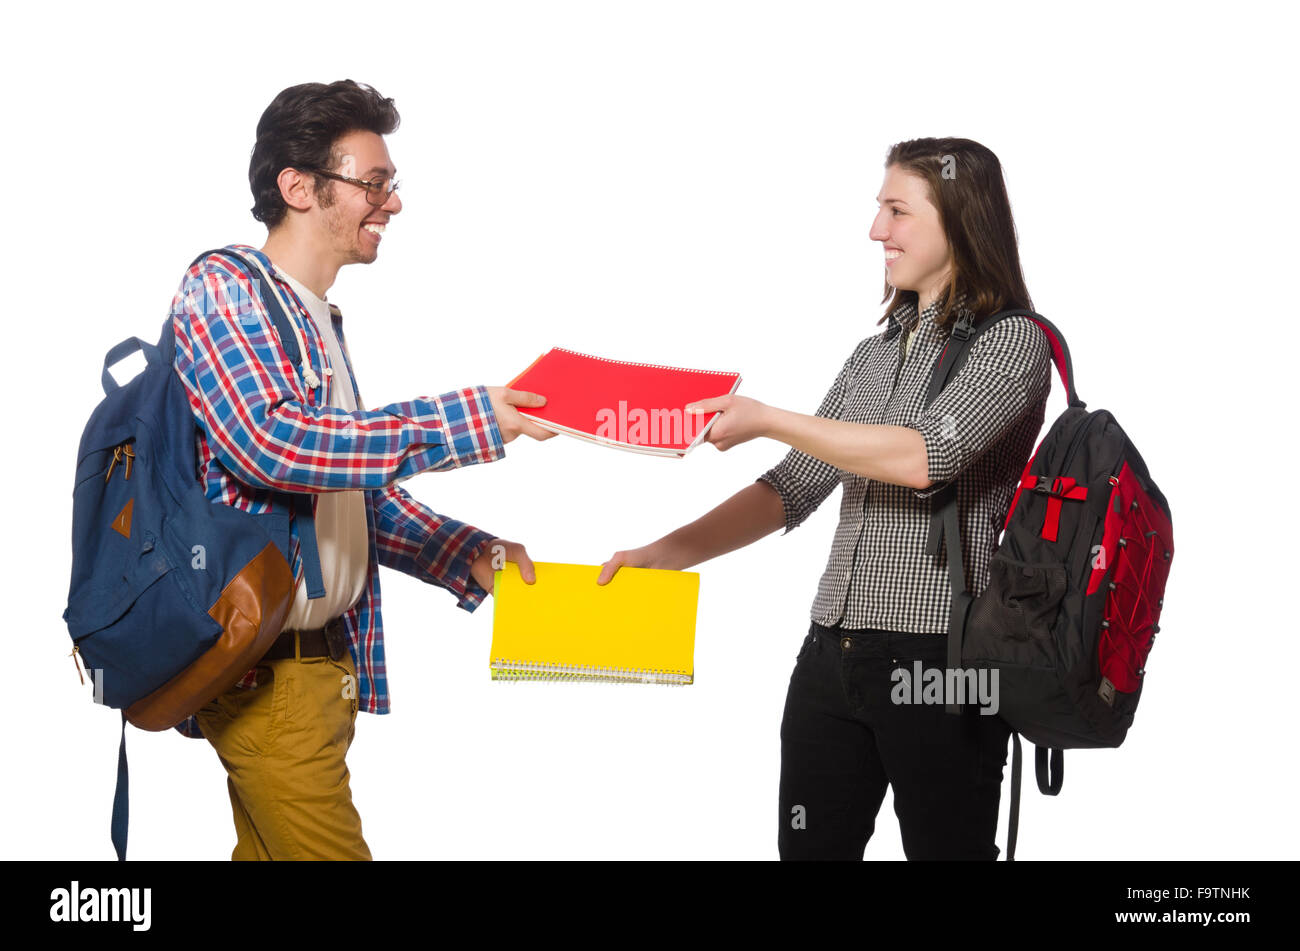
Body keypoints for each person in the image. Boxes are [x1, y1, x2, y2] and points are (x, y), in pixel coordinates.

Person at [598, 137, 1051, 860]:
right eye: (879, 209)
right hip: (830, 657)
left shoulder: (1014, 343)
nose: (876, 230)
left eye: (897, 210)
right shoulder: (874, 354)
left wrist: (768, 417)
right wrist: (666, 554)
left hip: (940, 661)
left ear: (960, 219)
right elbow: (794, 486)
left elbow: (926, 457)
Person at [168, 79, 554, 860]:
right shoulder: (225, 287)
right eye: (374, 184)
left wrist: (464, 551)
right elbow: (271, 443)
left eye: (391, 183)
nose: (393, 203)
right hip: (269, 678)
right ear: (298, 187)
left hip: (317, 674)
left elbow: (339, 489)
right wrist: (474, 416)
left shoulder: (316, 318)